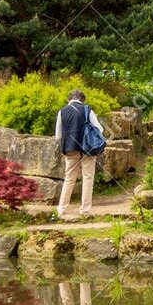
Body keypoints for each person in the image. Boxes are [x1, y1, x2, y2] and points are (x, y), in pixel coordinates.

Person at [54, 89, 106, 220]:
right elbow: (100, 129)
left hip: (70, 149)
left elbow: (58, 136)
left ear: (69, 99)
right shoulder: (87, 109)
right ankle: (85, 210)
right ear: (82, 99)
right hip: (87, 148)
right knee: (88, 178)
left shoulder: (62, 111)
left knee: (69, 179)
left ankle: (61, 209)